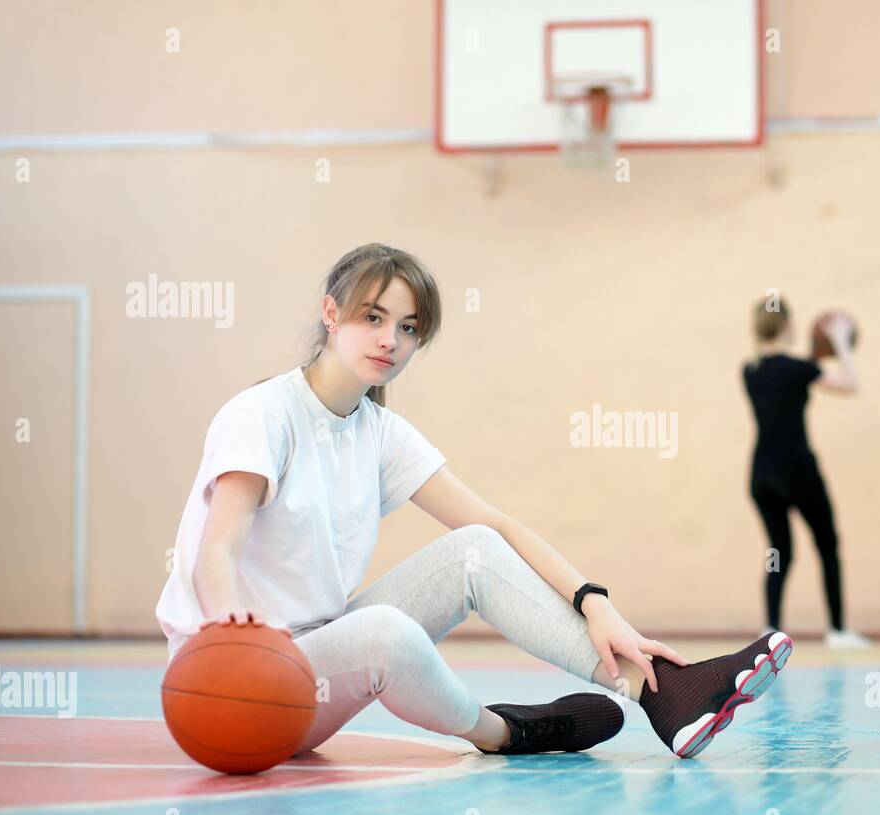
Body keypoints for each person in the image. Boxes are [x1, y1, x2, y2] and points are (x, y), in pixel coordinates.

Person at [155, 242, 793, 759]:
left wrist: (593, 600)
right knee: (385, 632)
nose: (390, 340)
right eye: (372, 318)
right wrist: (232, 633)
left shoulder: (379, 432)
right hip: (227, 681)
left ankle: (663, 694)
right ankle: (504, 732)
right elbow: (220, 547)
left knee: (473, 551)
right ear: (331, 313)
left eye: (408, 328)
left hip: (313, 665)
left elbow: (492, 523)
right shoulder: (263, 414)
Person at [742, 296, 871, 650]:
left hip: (761, 473)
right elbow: (850, 384)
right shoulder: (799, 370)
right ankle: (838, 630)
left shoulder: (750, 372)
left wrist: (812, 356)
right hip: (797, 468)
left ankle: (769, 628)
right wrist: (841, 341)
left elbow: (787, 373)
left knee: (779, 549)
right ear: (788, 327)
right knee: (827, 544)